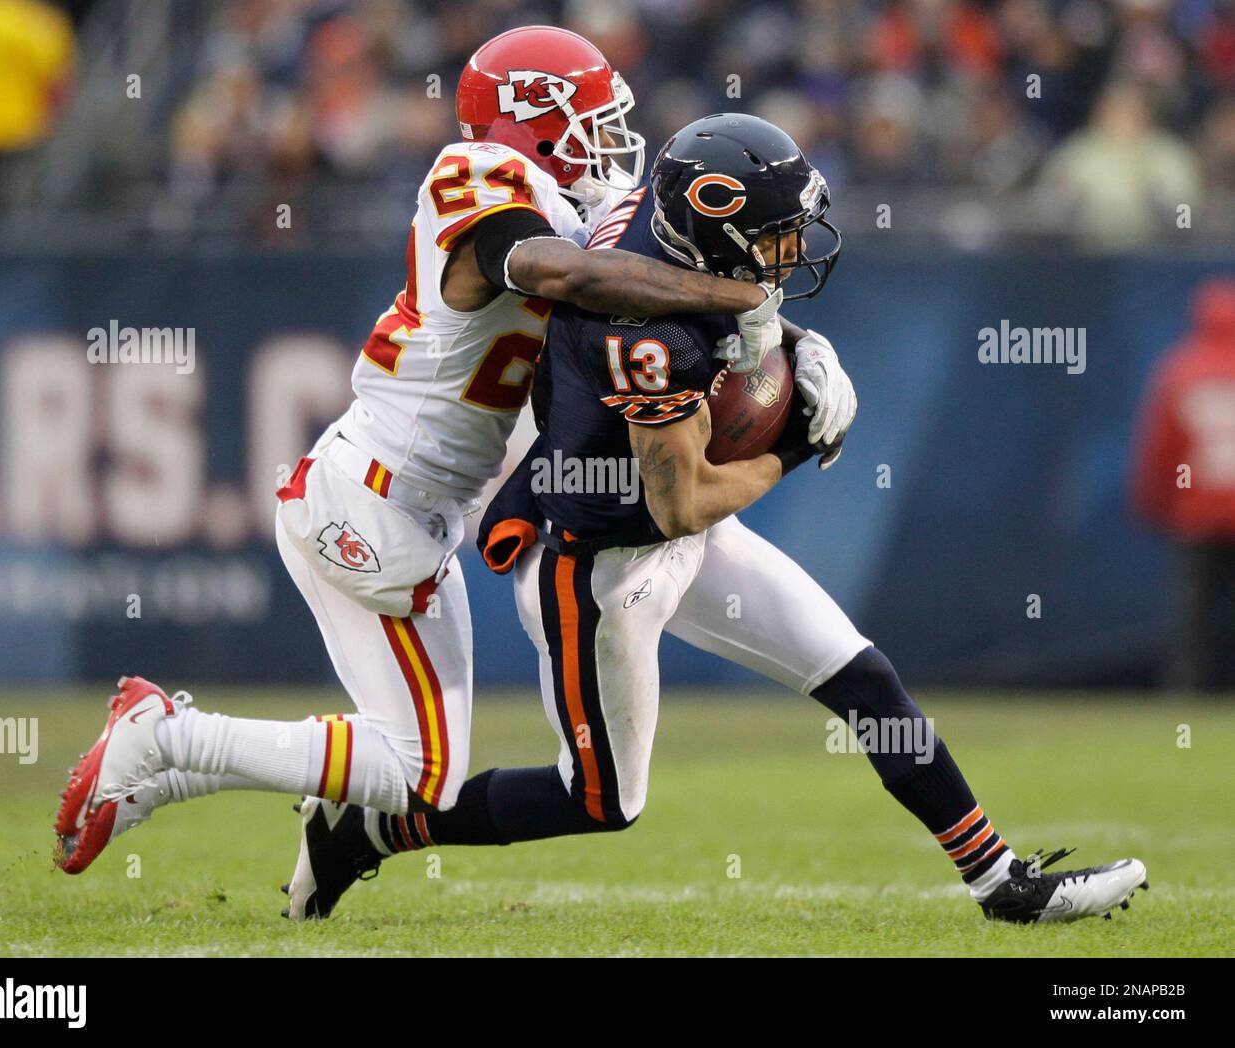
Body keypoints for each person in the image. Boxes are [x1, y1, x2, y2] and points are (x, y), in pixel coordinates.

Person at [285, 114, 1148, 926]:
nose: (792, 251)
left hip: (674, 531)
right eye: (775, 236)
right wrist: (794, 448)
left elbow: (732, 317)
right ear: (717, 228)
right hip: (604, 567)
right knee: (602, 801)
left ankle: (1001, 884)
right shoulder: (648, 338)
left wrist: (796, 342)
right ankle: (366, 832)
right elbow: (683, 499)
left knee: (861, 678)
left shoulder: (663, 243)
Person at [52, 27, 791, 876]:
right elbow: (567, 276)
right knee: (420, 775)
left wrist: (792, 349)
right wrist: (738, 298)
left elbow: (632, 297)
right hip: (375, 496)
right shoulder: (476, 176)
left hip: (410, 503)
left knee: (413, 766)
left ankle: (163, 770)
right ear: (533, 119)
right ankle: (165, 734)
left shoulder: (573, 207)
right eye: (591, 118)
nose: (609, 141)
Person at [1131, 276, 1235, 691]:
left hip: (1199, 513)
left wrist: (1153, 503)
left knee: (1196, 616)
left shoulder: (1182, 368)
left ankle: (1189, 692)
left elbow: (1161, 446)